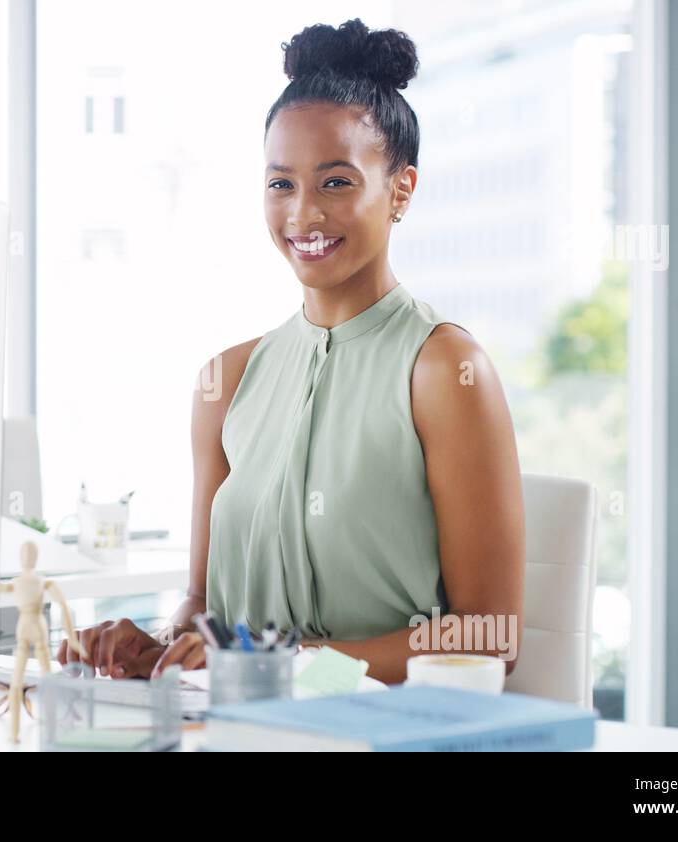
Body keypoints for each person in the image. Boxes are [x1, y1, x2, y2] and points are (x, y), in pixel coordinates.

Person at [58, 19, 524, 684]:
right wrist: (154, 647)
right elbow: (203, 610)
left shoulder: (445, 370)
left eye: (335, 182)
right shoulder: (226, 379)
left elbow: (490, 636)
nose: (303, 214)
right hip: (234, 728)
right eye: (281, 184)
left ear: (401, 190)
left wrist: (287, 664)